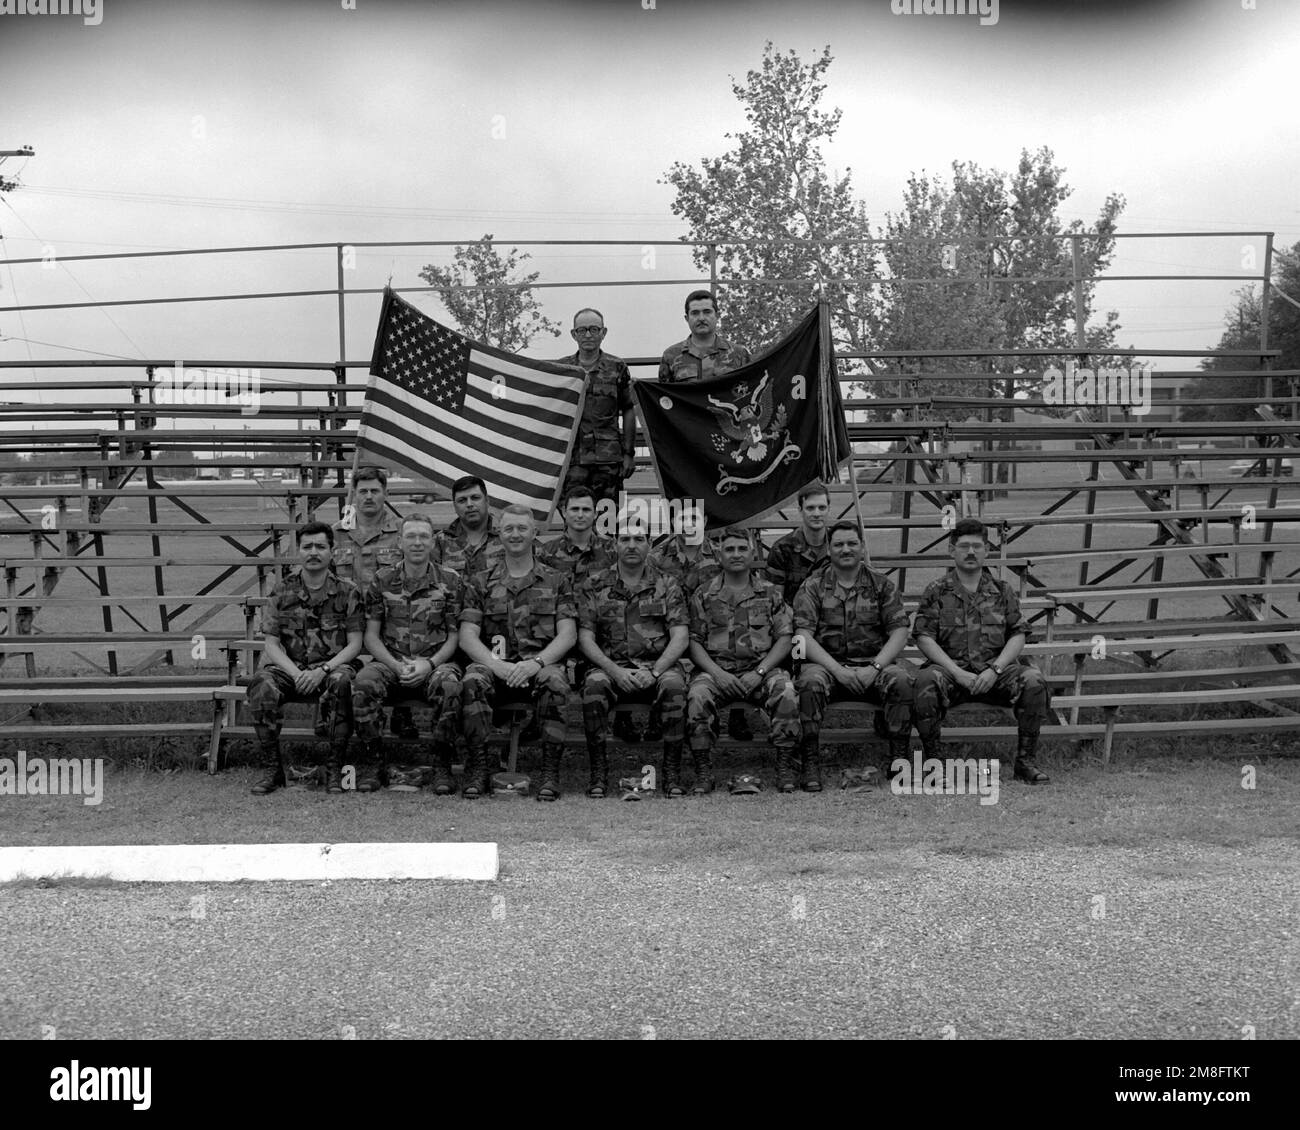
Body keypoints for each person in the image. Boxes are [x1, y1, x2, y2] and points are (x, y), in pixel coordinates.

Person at [913, 518, 1050, 784]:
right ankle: (935, 765)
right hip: (952, 674)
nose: (971, 552)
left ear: (987, 550)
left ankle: (1025, 762)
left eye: (977, 546)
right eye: (964, 546)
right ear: (951, 550)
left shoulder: (1002, 590)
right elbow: (923, 637)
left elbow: (1018, 634)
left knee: (1034, 681)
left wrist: (996, 669)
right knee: (925, 681)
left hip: (995, 674)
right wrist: (956, 672)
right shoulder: (937, 590)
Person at [458, 504, 577, 801]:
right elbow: (467, 637)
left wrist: (536, 663)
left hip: (539, 665)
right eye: (509, 528)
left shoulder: (556, 579)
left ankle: (550, 772)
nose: (515, 534)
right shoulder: (480, 580)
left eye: (522, 528)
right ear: (499, 533)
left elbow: (568, 634)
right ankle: (478, 767)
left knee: (557, 681)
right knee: (472, 679)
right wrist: (496, 665)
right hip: (496, 666)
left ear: (534, 533)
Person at [793, 521, 913, 791]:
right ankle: (810, 761)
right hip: (828, 668)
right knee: (809, 682)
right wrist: (838, 670)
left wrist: (875, 666)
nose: (845, 549)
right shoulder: (812, 587)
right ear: (829, 548)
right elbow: (802, 636)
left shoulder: (882, 585)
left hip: (874, 666)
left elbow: (899, 631)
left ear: (862, 547)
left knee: (901, 680)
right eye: (838, 544)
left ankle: (899, 760)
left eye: (851, 543)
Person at [577, 513, 690, 798]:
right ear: (614, 544)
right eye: (624, 539)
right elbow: (585, 638)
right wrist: (615, 671)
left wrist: (654, 670)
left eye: (638, 539)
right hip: (610, 668)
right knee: (593, 686)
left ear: (649, 544)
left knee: (675, 686)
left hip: (656, 668)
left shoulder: (668, 584)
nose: (631, 545)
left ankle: (672, 773)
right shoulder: (595, 584)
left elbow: (680, 636)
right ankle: (599, 773)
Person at [351, 513, 465, 795]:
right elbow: (371, 636)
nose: (417, 543)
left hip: (436, 662)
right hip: (391, 662)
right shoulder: (383, 579)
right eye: (411, 537)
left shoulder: (450, 581)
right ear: (400, 542)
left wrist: (429, 664)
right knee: (363, 683)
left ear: (432, 542)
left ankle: (442, 765)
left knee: (451, 685)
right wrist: (393, 664)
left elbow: (454, 637)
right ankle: (373, 763)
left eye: (423, 536)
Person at [248, 521, 363, 795]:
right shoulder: (282, 591)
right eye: (307, 546)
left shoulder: (348, 591)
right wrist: (297, 673)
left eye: (321, 546)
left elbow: (355, 644)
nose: (314, 552)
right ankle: (273, 770)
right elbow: (272, 645)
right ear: (299, 551)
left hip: (334, 666)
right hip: (293, 669)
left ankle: (335, 769)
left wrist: (322, 670)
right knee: (262, 684)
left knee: (342, 681)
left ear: (331, 552)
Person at [687, 528, 800, 793]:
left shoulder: (770, 593)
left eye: (741, 549)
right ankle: (703, 771)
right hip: (717, 672)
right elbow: (693, 642)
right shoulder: (703, 594)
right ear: (719, 555)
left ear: (752, 553)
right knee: (697, 696)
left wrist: (760, 671)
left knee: (786, 690)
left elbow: (785, 638)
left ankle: (784, 767)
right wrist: (717, 674)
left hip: (761, 670)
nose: (736, 554)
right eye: (729, 549)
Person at [647, 503, 754, 742]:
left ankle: (737, 714)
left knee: (736, 637)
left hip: (711, 631)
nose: (688, 523)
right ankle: (656, 716)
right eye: (682, 517)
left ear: (704, 520)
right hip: (668, 630)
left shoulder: (721, 555)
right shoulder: (656, 558)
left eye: (694, 517)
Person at [331, 464, 415, 739]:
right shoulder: (337, 533)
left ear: (385, 494)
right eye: (363, 491)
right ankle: (333, 714)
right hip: (348, 622)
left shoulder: (401, 533)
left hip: (392, 620)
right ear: (353, 495)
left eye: (375, 491)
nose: (369, 497)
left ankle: (403, 711)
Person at [557, 308, 637, 506]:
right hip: (571, 461)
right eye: (582, 330)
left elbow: (628, 408)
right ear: (573, 334)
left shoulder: (617, 367)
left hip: (608, 462)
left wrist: (628, 453)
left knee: (607, 522)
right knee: (575, 518)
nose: (588, 335)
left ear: (604, 332)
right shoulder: (562, 369)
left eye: (594, 329)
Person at [657, 289, 752, 384]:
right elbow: (663, 396)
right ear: (687, 318)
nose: (701, 318)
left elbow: (748, 391)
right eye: (695, 313)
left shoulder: (739, 354)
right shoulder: (670, 356)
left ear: (717, 315)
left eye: (707, 312)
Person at [766, 482, 832, 605]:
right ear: (800, 511)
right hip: (794, 619)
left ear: (829, 509)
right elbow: (776, 602)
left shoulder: (838, 546)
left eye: (822, 508)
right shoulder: (782, 549)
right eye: (810, 508)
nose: (817, 514)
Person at [536, 485, 617, 584]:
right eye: (575, 509)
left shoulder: (612, 549)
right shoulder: (546, 552)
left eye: (586, 510)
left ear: (595, 514)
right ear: (564, 512)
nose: (580, 515)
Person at [431, 475, 505, 581]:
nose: (469, 504)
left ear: (487, 501)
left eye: (475, 498)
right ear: (455, 506)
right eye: (462, 500)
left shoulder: (508, 536)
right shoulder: (440, 542)